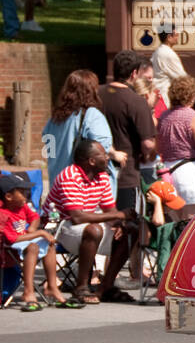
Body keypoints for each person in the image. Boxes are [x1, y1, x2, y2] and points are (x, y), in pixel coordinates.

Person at [48, 138, 130, 304]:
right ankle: (81, 286)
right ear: (92, 161)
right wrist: (118, 215)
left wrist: (118, 223)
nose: (108, 158)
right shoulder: (70, 176)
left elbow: (109, 210)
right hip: (59, 227)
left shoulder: (102, 177)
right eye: (104, 155)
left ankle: (106, 286)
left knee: (131, 230)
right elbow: (77, 217)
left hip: (84, 226)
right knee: (94, 230)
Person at [1, 173, 78, 310]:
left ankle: (52, 287)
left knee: (49, 243)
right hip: (6, 249)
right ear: (8, 197)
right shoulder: (3, 214)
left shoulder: (22, 206)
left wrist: (32, 228)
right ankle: (28, 291)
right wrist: (40, 232)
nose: (27, 195)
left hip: (21, 241)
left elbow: (35, 217)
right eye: (22, 192)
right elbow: (11, 239)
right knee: (33, 247)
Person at [99, 49, 158, 206]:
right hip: (126, 176)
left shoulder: (96, 93)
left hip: (96, 173)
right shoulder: (137, 102)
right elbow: (147, 145)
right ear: (134, 73)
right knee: (126, 225)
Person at [42, 69, 120, 185]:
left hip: (57, 183)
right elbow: (102, 148)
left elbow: (49, 151)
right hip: (81, 187)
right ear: (92, 91)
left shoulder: (54, 119)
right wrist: (114, 154)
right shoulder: (92, 116)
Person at [155, 75, 195, 206]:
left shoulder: (164, 117)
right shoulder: (194, 117)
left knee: (174, 220)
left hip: (168, 173)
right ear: (192, 95)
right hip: (190, 174)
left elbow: (158, 147)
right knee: (192, 220)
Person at [151, 23, 187, 108]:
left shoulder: (158, 52)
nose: (178, 37)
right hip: (164, 98)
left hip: (158, 95)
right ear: (169, 37)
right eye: (176, 35)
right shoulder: (167, 54)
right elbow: (183, 78)